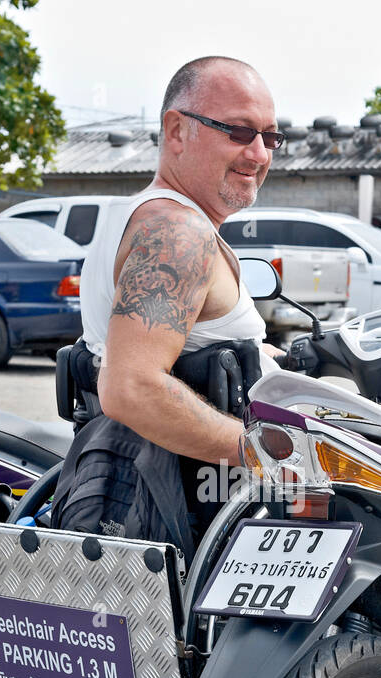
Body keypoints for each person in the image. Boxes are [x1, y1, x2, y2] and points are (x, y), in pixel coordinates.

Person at [50, 56, 283, 561]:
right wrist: (266, 454)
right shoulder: (177, 233)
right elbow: (131, 387)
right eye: (239, 132)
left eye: (271, 136)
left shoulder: (149, 217)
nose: (259, 153)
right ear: (177, 131)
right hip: (190, 502)